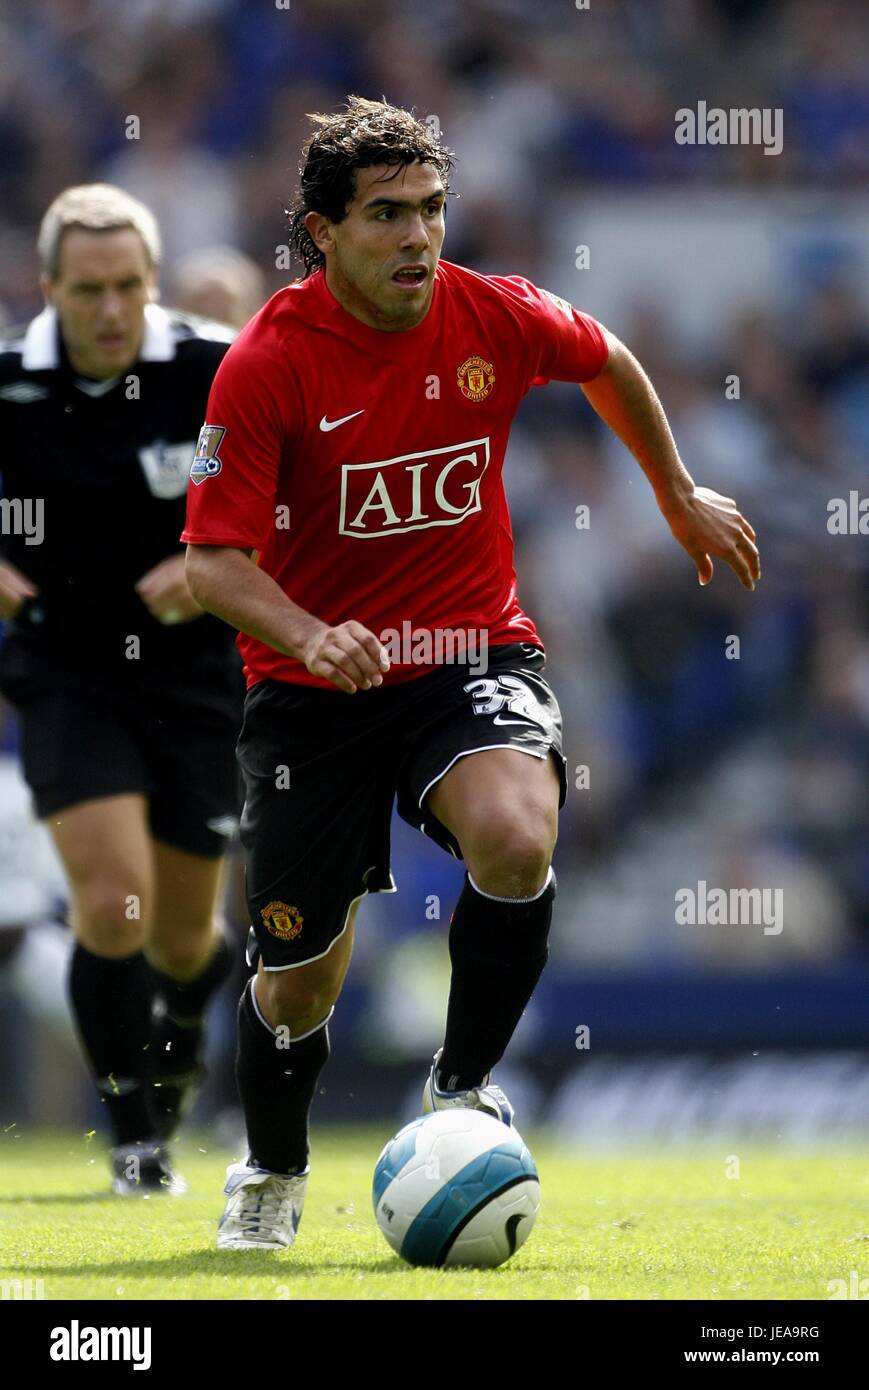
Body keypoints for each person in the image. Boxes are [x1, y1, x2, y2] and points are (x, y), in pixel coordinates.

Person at [182, 97, 761, 1251]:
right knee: (296, 980)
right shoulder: (265, 366)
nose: (417, 237)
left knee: (517, 834)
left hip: (466, 651)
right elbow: (210, 564)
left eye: (432, 210)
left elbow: (605, 358)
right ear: (321, 231)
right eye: (386, 215)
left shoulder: (487, 313)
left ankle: (458, 1088)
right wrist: (305, 633)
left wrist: (674, 489)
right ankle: (274, 1166)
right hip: (313, 687)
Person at [0, 184, 244, 1194]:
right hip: (65, 673)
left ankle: (182, 1029)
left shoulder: (216, 368)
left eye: (130, 287)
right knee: (111, 905)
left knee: (189, 939)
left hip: (197, 680)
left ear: (153, 282)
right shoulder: (7, 380)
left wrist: (209, 565)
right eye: (88, 289)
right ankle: (137, 1140)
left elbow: (296, 501)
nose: (110, 310)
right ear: (49, 285)